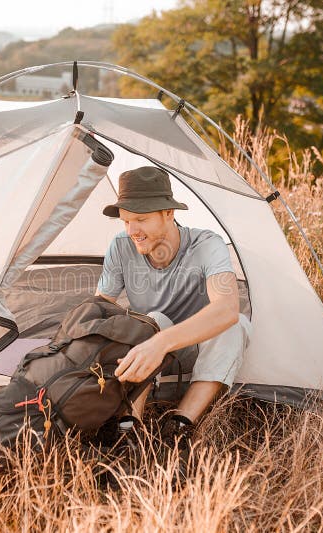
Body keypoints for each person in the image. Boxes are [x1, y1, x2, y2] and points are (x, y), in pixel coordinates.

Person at [95, 166, 252, 447]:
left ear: (169, 213)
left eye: (140, 219)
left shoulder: (207, 244)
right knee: (152, 319)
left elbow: (227, 308)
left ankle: (179, 426)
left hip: (202, 356)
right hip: (145, 360)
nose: (132, 231)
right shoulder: (120, 246)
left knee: (236, 324)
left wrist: (161, 343)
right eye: (126, 221)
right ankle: (129, 428)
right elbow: (99, 308)